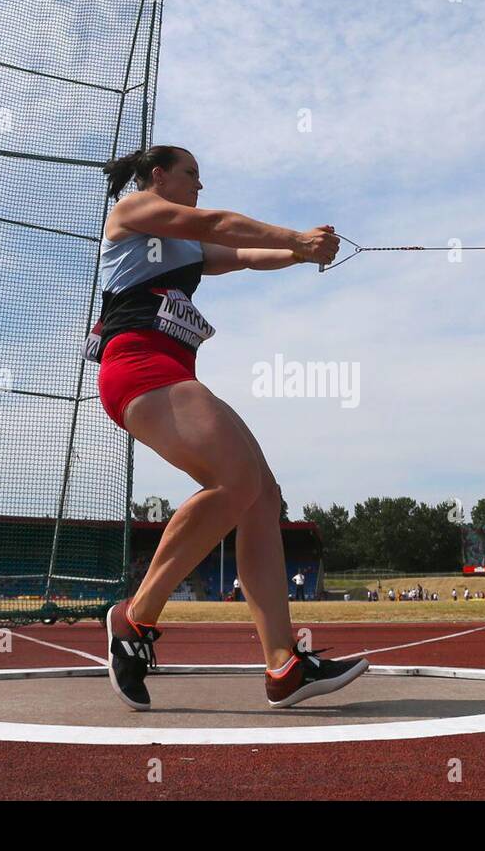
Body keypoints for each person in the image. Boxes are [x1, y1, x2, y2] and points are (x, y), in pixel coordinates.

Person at [91, 146, 365, 711]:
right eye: (191, 173)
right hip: (136, 365)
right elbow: (216, 222)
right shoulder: (133, 210)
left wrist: (298, 254)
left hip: (168, 371)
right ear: (158, 176)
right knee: (235, 480)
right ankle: (134, 619)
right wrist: (296, 237)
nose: (200, 182)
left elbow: (238, 253)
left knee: (261, 494)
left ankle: (284, 665)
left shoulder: (182, 245)